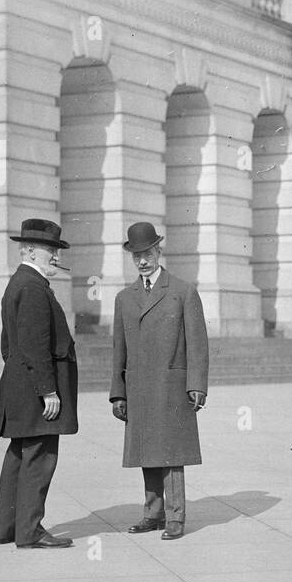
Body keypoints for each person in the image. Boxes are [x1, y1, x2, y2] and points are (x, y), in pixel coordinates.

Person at [110, 222, 210, 540]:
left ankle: (176, 517)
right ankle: (152, 513)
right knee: (146, 450)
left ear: (159, 251)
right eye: (136, 255)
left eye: (147, 253)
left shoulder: (182, 292)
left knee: (171, 453)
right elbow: (118, 349)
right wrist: (118, 393)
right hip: (139, 386)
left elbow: (198, 343)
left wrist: (197, 384)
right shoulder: (125, 298)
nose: (142, 261)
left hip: (171, 385)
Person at [0, 218, 78, 549]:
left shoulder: (20, 283)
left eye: (57, 250)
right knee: (39, 457)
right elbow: (34, 344)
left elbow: (7, 345)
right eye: (50, 250)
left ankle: (8, 528)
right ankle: (29, 532)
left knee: (19, 454)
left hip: (19, 385)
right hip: (36, 389)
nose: (56, 256)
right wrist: (48, 390)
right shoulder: (32, 288)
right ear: (29, 250)